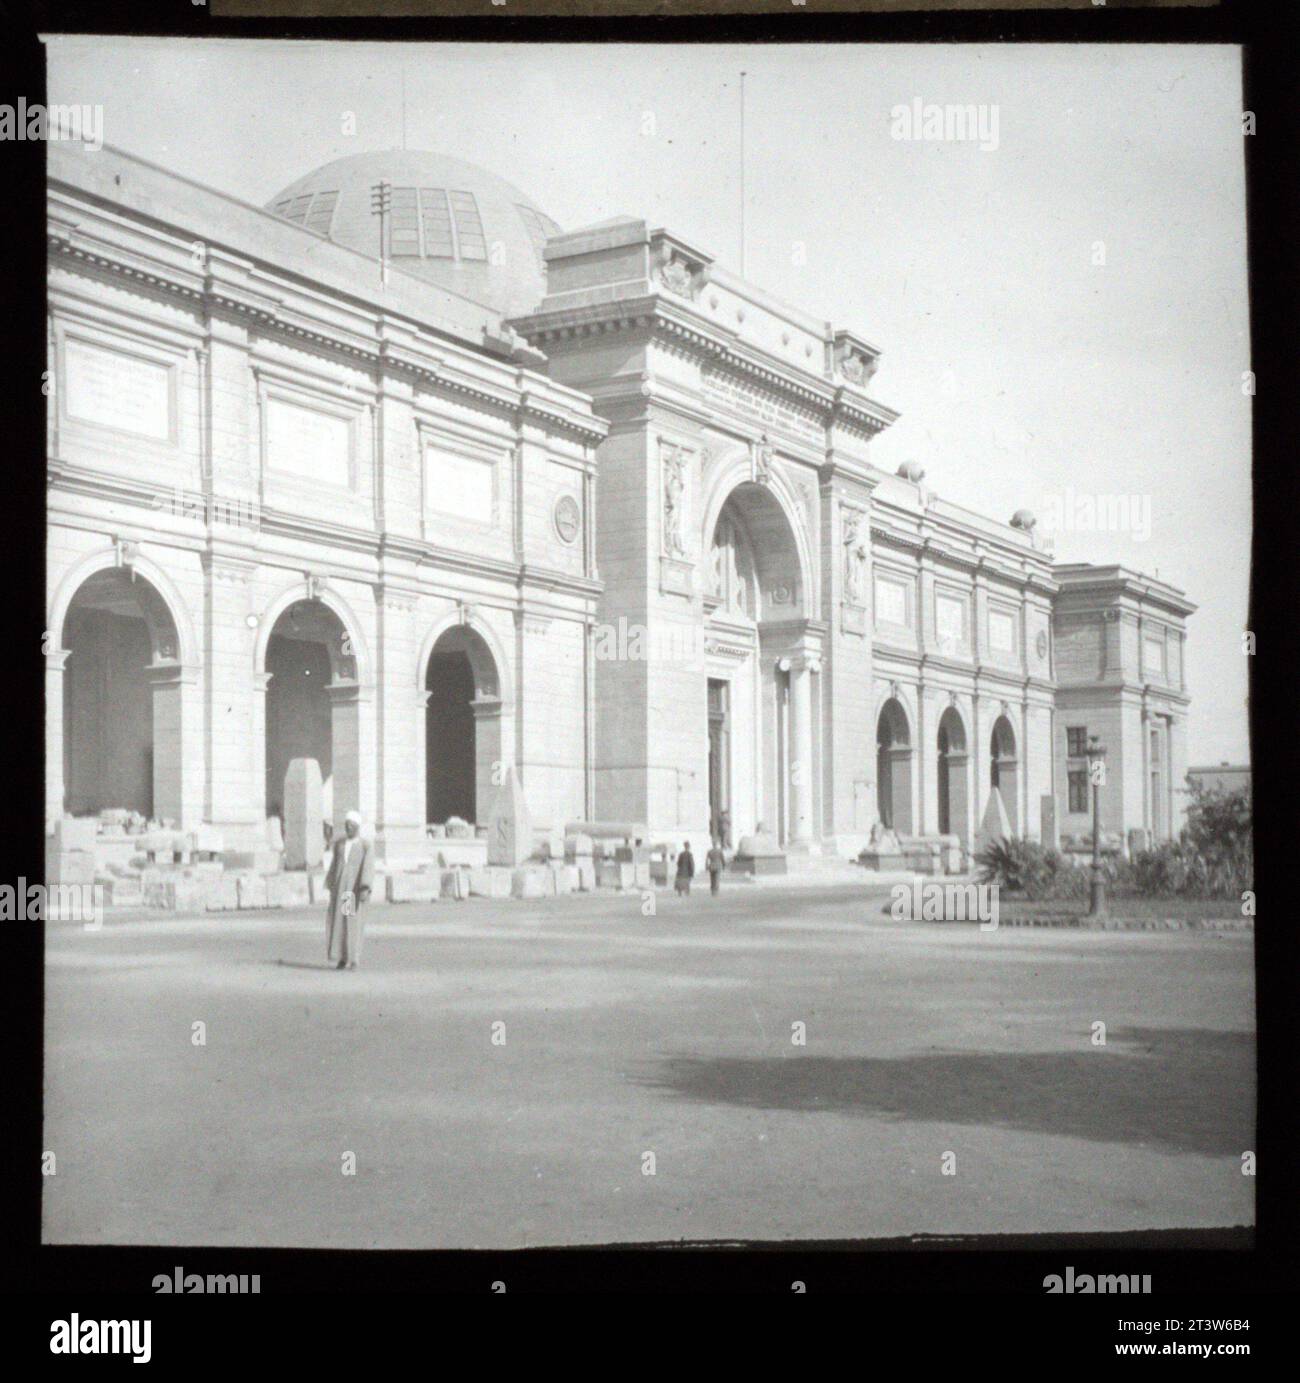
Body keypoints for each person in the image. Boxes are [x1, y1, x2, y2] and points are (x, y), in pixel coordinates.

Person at [326, 810, 374, 971]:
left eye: (352, 825)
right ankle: (341, 957)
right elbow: (334, 865)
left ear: (358, 827)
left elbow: (368, 867)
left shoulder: (364, 845)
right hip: (341, 889)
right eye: (347, 825)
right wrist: (331, 883)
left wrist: (365, 887)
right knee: (339, 923)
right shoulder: (340, 844)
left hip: (352, 890)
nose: (349, 828)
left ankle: (353, 958)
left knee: (352, 923)